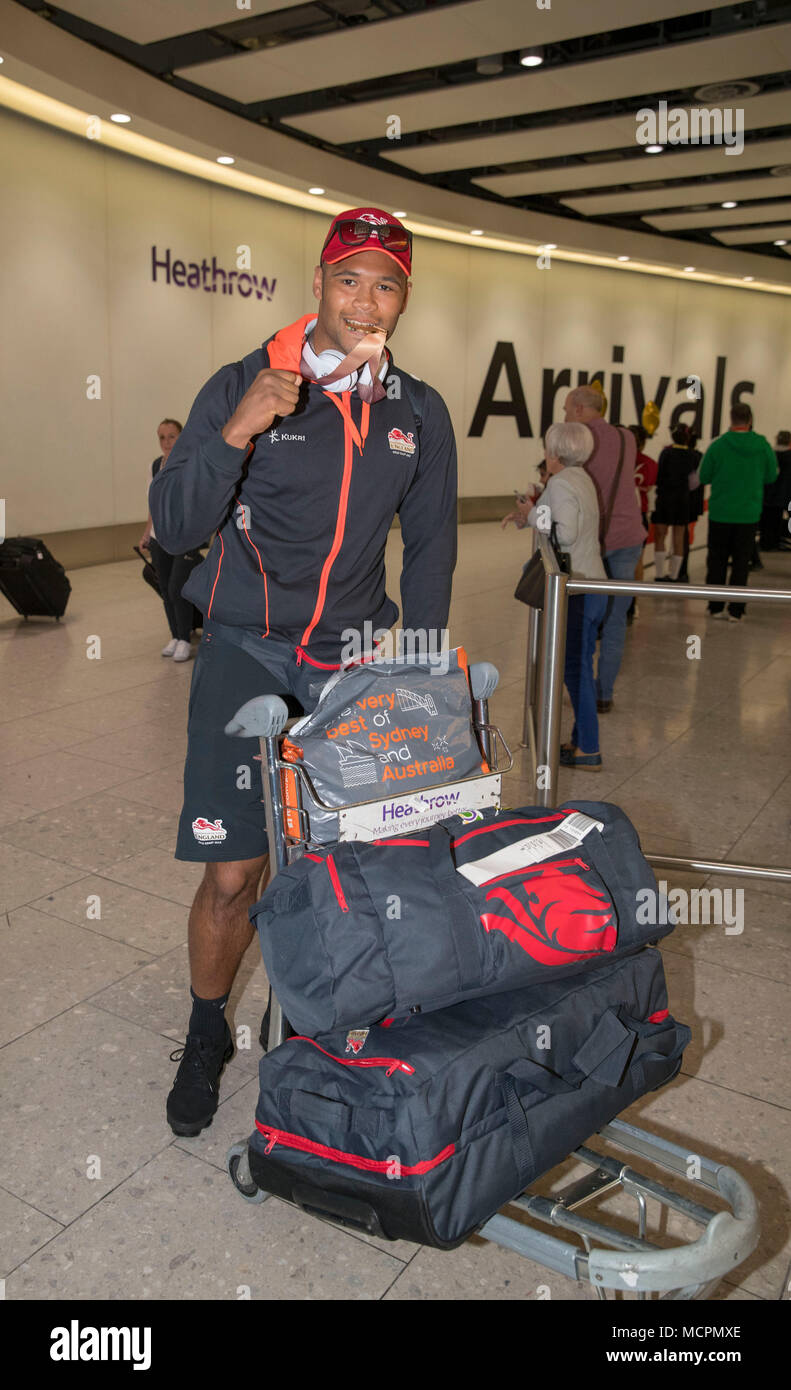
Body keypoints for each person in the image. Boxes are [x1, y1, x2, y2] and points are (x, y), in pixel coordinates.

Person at [149, 208, 458, 1136]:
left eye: (387, 284)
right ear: (317, 283)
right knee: (235, 876)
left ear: (402, 300)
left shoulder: (418, 412)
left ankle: (333, 1033)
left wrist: (419, 674)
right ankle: (208, 1030)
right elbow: (172, 526)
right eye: (349, 279)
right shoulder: (245, 382)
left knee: (352, 870)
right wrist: (237, 430)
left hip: (355, 666)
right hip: (247, 651)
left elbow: (434, 549)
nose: (366, 300)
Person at [505, 424, 607, 769]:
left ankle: (589, 747)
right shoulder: (581, 478)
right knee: (579, 665)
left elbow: (565, 531)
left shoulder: (562, 482)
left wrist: (533, 513)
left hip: (577, 588)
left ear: (554, 453)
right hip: (593, 584)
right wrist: (530, 514)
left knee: (574, 670)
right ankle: (581, 741)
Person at [563, 386, 643, 713]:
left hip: (593, 542)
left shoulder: (578, 439)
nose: (566, 415)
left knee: (583, 619)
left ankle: (580, 687)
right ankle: (604, 693)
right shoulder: (628, 438)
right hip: (629, 537)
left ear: (581, 410)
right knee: (615, 621)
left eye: (567, 409)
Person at [699, 402, 777, 621]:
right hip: (748, 513)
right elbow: (771, 475)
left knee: (717, 561)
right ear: (750, 420)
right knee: (741, 563)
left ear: (731, 419)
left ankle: (715, 606)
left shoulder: (718, 445)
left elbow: (704, 476)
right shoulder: (762, 445)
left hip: (720, 513)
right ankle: (736, 610)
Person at [140, 419, 204, 662]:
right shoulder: (155, 466)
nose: (166, 442)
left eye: (171, 436)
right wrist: (147, 532)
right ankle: (176, 636)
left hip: (185, 537)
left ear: (181, 436)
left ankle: (186, 640)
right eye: (162, 437)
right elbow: (153, 504)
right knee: (166, 588)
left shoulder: (190, 463)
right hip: (160, 537)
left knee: (178, 588)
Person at [651, 423, 698, 582]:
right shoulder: (693, 455)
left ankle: (659, 574)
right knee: (679, 536)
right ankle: (674, 575)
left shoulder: (666, 453)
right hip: (682, 499)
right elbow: (694, 483)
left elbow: (659, 476)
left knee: (660, 534)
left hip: (665, 497)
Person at [627, 423, 657, 618]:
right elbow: (652, 491)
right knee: (637, 562)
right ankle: (633, 604)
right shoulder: (650, 463)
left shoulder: (616, 460)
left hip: (617, 517)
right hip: (639, 517)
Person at [760, 429, 791, 551]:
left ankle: (767, 542)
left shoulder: (770, 454)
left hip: (768, 494)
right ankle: (777, 540)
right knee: (777, 520)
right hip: (787, 494)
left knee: (769, 520)